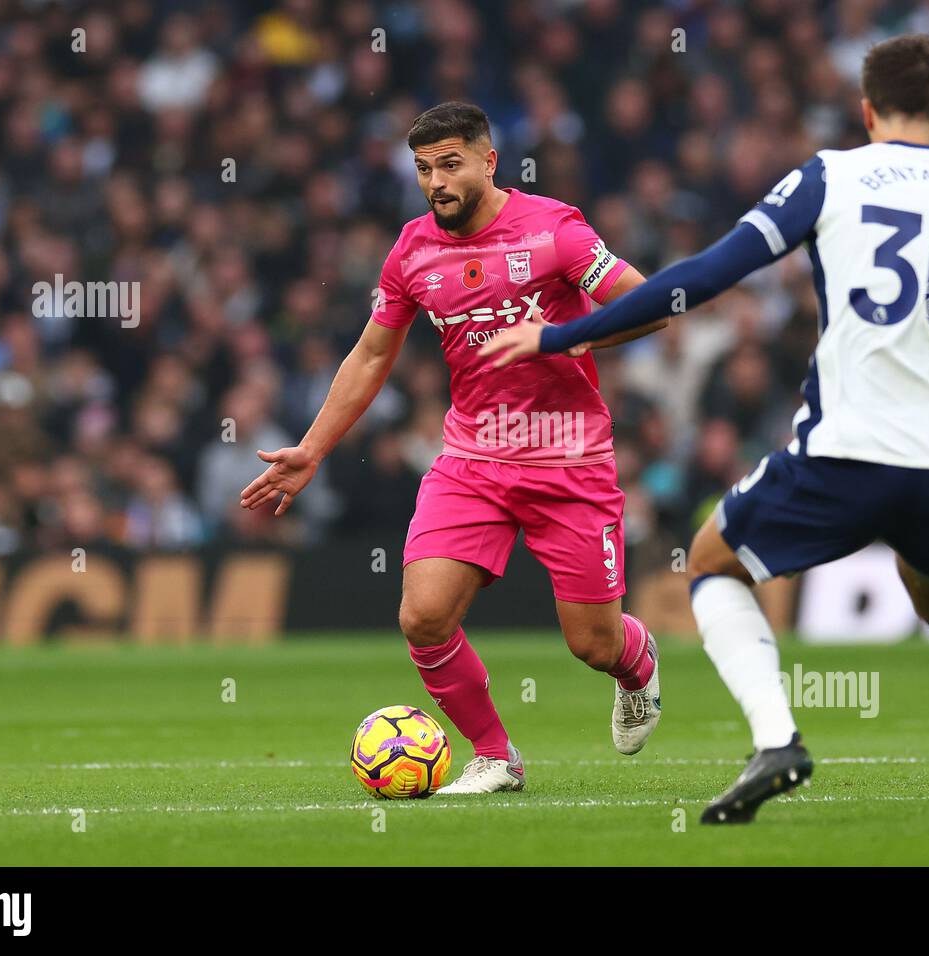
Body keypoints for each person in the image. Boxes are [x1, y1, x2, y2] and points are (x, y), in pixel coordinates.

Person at [479, 36, 929, 822]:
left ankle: (776, 740)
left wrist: (561, 334)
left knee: (712, 564)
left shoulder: (831, 176)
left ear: (865, 110)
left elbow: (704, 276)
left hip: (847, 450)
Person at [241, 102, 666, 794]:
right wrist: (313, 449)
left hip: (568, 455)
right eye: (422, 168)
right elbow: (372, 353)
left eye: (449, 164)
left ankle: (637, 663)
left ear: (488, 162)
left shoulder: (554, 229)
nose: (435, 182)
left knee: (593, 643)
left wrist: (565, 335)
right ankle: (496, 755)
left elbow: (649, 304)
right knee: (423, 616)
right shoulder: (413, 250)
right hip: (472, 458)